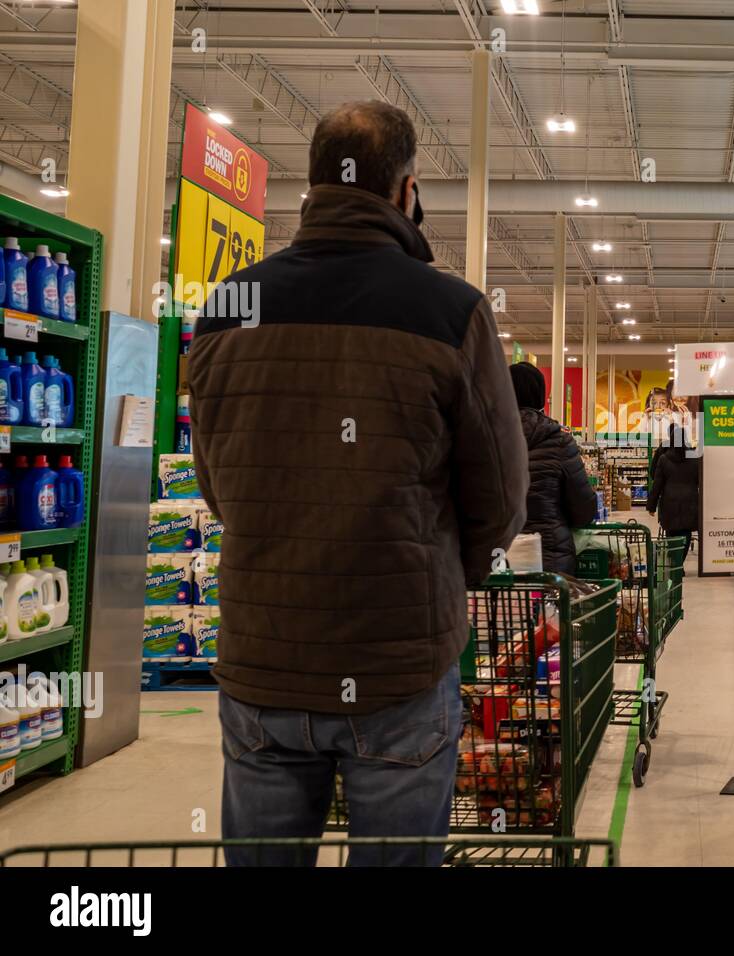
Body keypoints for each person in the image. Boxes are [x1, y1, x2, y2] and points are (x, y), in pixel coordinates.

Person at [188, 100, 528, 866]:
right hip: (398, 667)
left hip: (262, 660)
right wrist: (438, 562)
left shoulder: (225, 309)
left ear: (312, 187)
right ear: (407, 192)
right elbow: (501, 500)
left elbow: (217, 483)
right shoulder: (452, 312)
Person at [509, 362, 598, 574]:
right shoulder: (558, 441)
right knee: (547, 606)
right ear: (541, 396)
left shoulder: (481, 438)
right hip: (547, 560)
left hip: (494, 561)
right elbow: (583, 508)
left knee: (500, 608)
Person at [646, 423, 700, 550]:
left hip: (669, 502)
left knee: (671, 534)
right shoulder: (694, 458)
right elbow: (699, 480)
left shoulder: (664, 458)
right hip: (690, 501)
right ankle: (680, 563)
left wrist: (651, 506)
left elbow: (657, 483)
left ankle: (675, 563)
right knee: (686, 533)